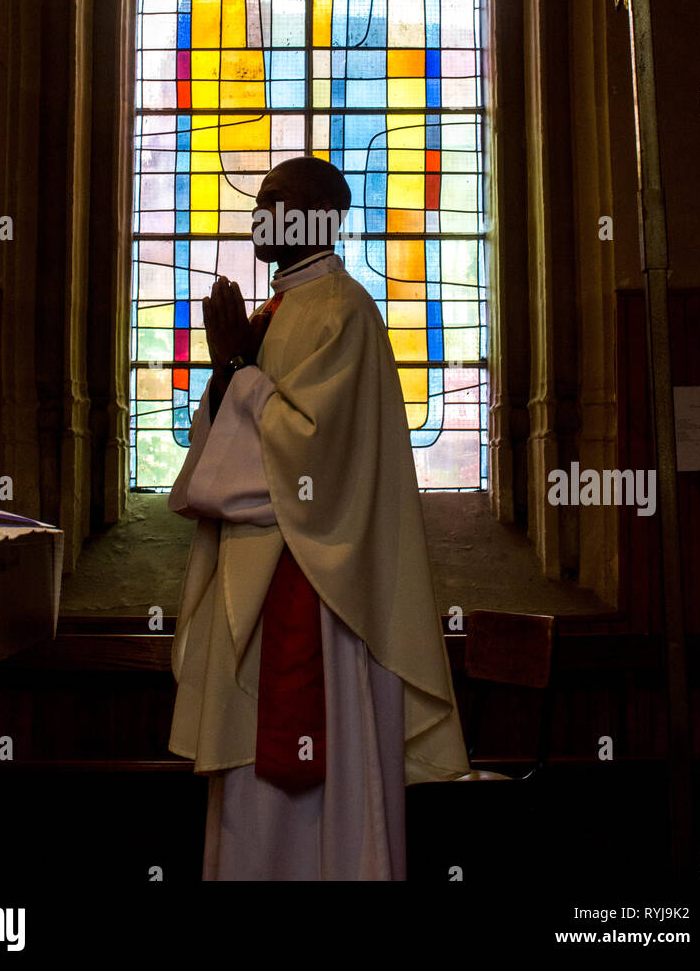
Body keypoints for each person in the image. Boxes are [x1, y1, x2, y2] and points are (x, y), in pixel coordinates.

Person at [167, 156, 470, 881]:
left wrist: (237, 372)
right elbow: (223, 465)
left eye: (274, 199)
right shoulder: (273, 314)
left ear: (319, 214)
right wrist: (229, 371)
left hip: (325, 599)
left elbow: (310, 466)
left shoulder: (342, 312)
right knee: (252, 793)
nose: (258, 214)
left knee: (319, 794)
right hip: (259, 592)